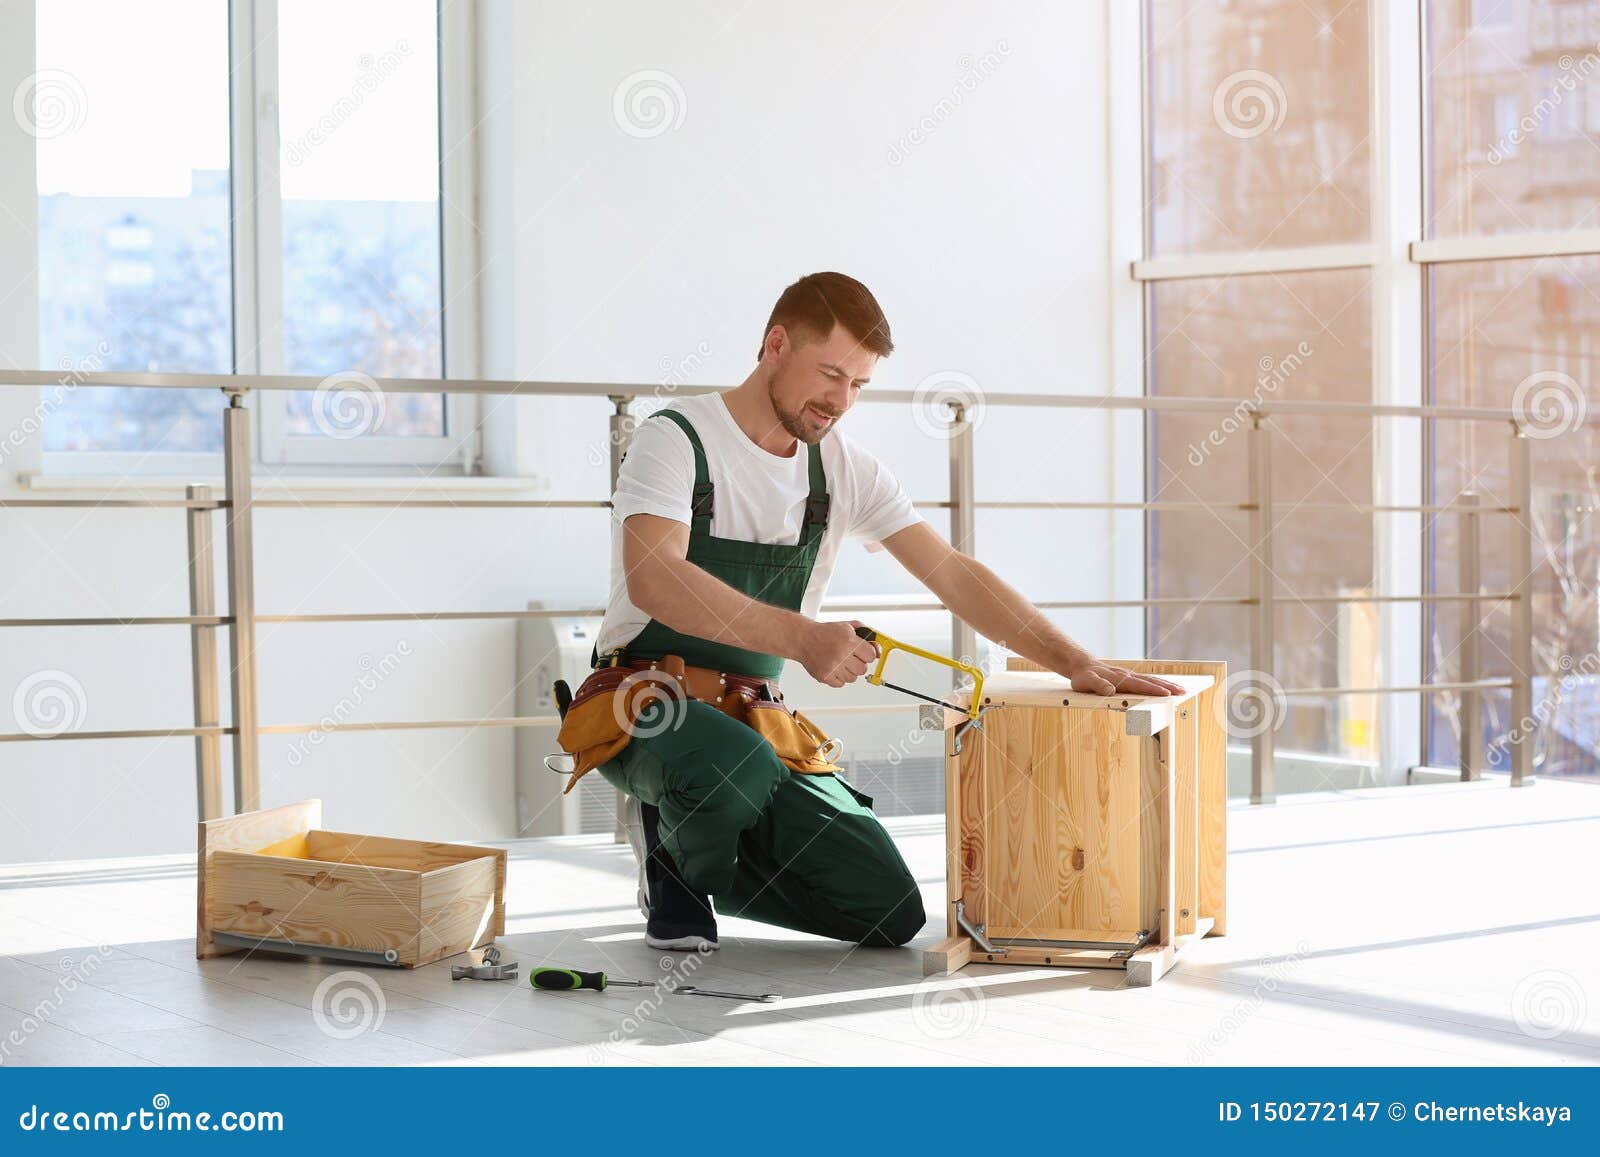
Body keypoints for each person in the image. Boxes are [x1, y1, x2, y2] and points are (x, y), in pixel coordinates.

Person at [557, 271, 1184, 952]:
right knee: (727, 767)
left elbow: (952, 573)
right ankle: (671, 853)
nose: (841, 401)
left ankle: (707, 830)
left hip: (752, 723)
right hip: (645, 703)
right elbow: (656, 580)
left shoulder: (844, 470)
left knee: (887, 908)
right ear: (775, 345)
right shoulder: (677, 439)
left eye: (858, 384)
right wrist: (804, 638)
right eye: (831, 374)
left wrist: (1075, 662)